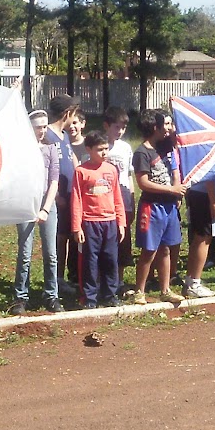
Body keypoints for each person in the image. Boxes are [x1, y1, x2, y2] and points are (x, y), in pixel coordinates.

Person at [130, 108, 187, 306]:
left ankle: (165, 290)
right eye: (167, 124)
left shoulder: (166, 147)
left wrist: (175, 191)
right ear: (155, 127)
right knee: (149, 251)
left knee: (165, 249)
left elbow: (175, 163)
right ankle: (139, 291)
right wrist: (172, 190)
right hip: (152, 207)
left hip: (169, 207)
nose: (170, 128)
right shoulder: (142, 153)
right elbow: (143, 183)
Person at [11, 109, 62, 315]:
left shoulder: (50, 149)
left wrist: (46, 209)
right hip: (26, 204)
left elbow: (54, 180)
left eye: (44, 126)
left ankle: (51, 295)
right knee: (25, 252)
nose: (42, 130)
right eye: (37, 127)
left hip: (47, 204)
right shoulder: (21, 150)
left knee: (51, 254)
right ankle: (20, 297)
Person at [71, 129, 126, 308]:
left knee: (110, 259)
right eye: (99, 149)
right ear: (89, 149)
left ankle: (110, 294)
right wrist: (77, 227)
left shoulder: (111, 169)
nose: (104, 153)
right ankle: (90, 297)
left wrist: (121, 222)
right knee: (90, 261)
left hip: (109, 222)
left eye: (106, 149)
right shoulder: (81, 171)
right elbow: (77, 199)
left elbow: (117, 197)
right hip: (90, 222)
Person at [46, 94, 80, 298]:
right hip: (57, 200)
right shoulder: (48, 135)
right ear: (67, 114)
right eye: (73, 113)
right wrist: (57, 196)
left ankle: (63, 279)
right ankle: (55, 280)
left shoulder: (64, 135)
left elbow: (72, 161)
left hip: (70, 197)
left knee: (67, 237)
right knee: (58, 241)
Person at [104, 105, 136, 280]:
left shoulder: (125, 148)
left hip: (123, 195)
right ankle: (105, 278)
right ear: (106, 126)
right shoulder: (99, 145)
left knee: (123, 238)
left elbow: (129, 175)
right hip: (104, 197)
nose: (120, 131)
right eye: (117, 127)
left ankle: (119, 279)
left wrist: (131, 200)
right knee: (107, 238)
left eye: (123, 128)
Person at [181, 174, 215, 299]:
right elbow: (210, 174)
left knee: (199, 238)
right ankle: (194, 283)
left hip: (199, 193)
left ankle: (190, 279)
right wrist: (213, 200)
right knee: (204, 238)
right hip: (205, 195)